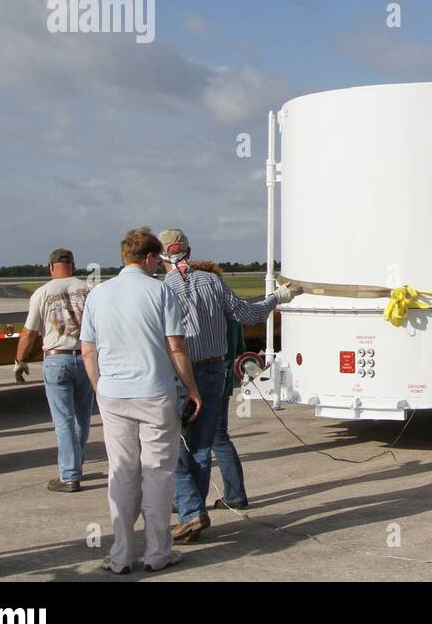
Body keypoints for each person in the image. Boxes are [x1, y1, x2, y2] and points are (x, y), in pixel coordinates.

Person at [156, 229, 296, 542]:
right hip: (214, 370)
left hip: (180, 371)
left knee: (173, 445)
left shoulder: (161, 289)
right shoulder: (213, 281)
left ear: (159, 257)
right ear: (189, 251)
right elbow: (248, 315)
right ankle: (196, 511)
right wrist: (277, 297)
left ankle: (189, 509)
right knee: (204, 446)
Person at [79, 228, 202, 574]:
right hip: (154, 392)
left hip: (113, 394)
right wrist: (191, 388)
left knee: (122, 471)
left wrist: (100, 385)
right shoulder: (161, 292)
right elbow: (175, 346)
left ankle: (120, 554)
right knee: (158, 473)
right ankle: (157, 551)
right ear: (148, 258)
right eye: (157, 260)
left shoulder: (98, 294)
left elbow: (88, 349)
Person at [15, 248, 93, 492]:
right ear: (73, 265)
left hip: (57, 359)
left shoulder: (42, 293)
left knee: (63, 420)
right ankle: (75, 464)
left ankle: (69, 475)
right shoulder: (89, 290)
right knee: (82, 418)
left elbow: (29, 332)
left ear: (51, 266)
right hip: (86, 358)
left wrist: (20, 360)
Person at [186, 261, 249, 510]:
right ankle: (235, 493)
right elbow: (241, 349)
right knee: (220, 438)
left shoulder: (201, 310)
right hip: (223, 378)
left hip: (202, 376)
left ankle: (189, 499)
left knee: (192, 441)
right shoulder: (230, 311)